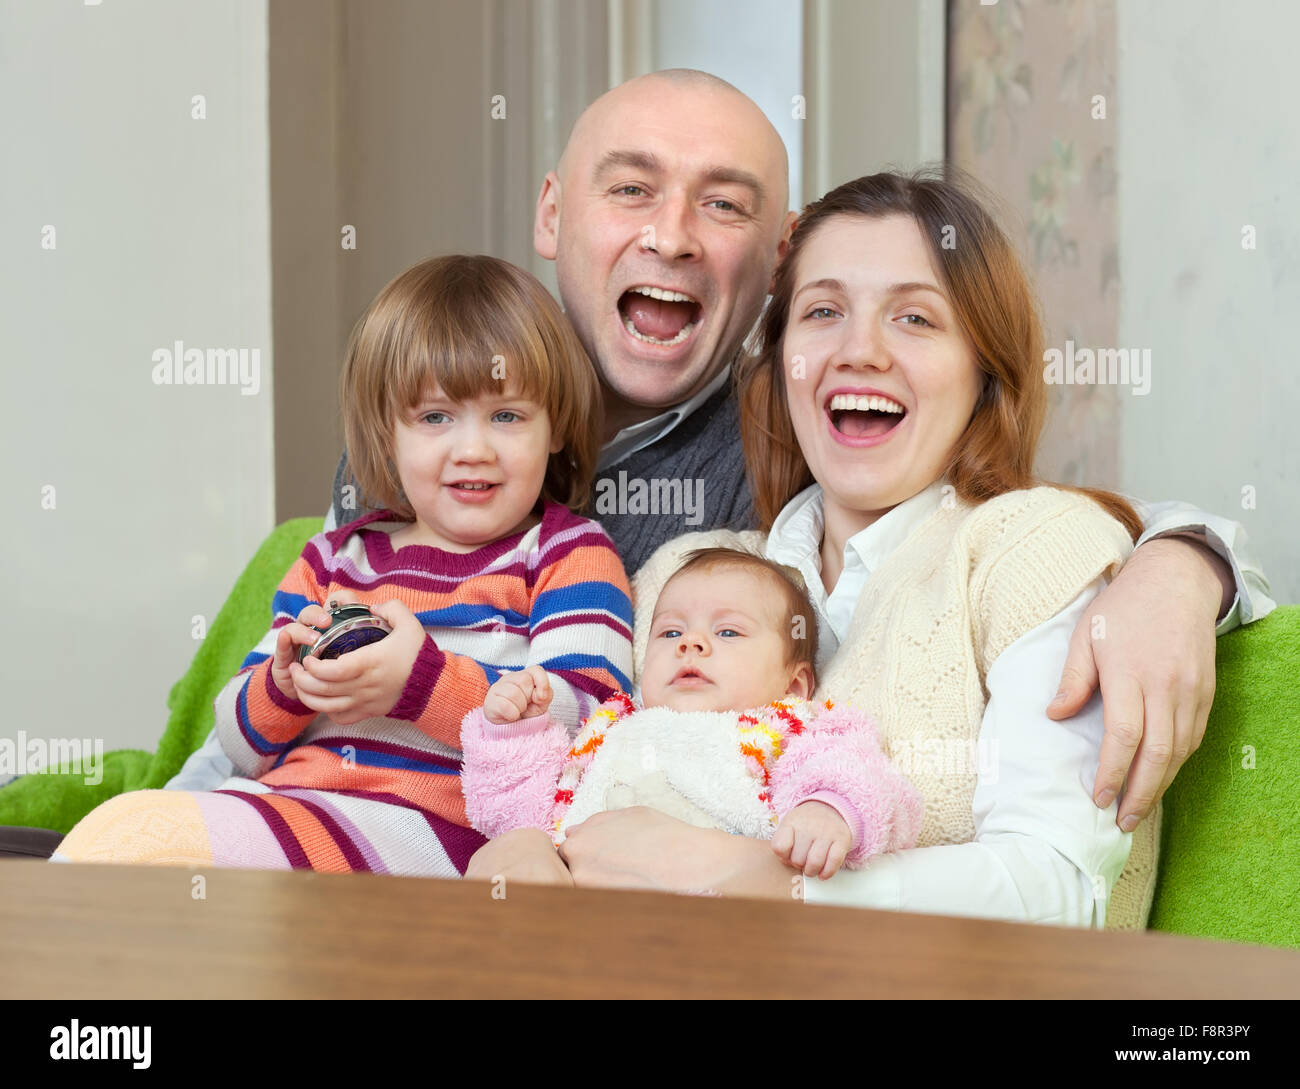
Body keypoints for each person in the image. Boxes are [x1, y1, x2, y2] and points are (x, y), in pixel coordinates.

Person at [172, 68, 1273, 841]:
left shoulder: (793, 445)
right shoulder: (423, 424)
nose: (672, 236)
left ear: (777, 251)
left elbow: (1003, 528)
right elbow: (270, 704)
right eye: (632, 187)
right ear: (554, 213)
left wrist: (1187, 563)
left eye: (724, 204)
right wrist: (175, 825)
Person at [478, 170, 1161, 928]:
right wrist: (516, 851)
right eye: (824, 310)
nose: (860, 350)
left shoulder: (1027, 548)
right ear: (780, 363)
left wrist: (770, 883)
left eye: (915, 318)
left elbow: (1063, 890)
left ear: (986, 372)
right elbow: (576, 775)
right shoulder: (685, 570)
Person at [51, 255, 634, 875]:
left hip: (433, 831)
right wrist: (284, 687)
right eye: (435, 417)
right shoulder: (334, 557)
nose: (473, 449)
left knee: (132, 843)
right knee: (124, 841)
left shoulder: (567, 554)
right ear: (389, 434)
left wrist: (421, 684)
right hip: (289, 805)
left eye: (507, 416)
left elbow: (595, 732)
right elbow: (239, 748)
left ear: (555, 429)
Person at [460, 547, 923, 880]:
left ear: (794, 684)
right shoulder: (608, 728)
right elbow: (518, 816)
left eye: (727, 632)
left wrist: (827, 810)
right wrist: (513, 735)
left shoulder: (788, 730)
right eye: (670, 631)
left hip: (723, 929)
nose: (690, 643)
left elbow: (865, 777)